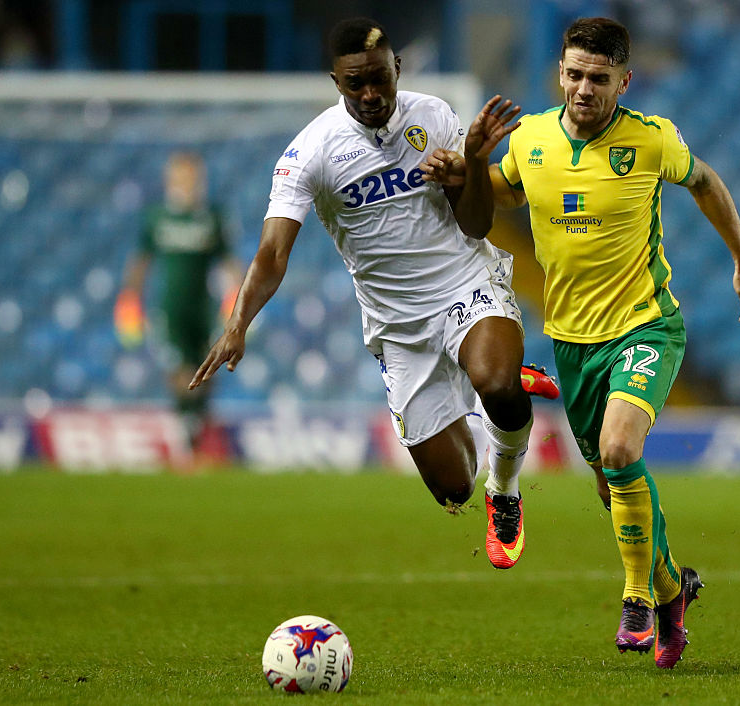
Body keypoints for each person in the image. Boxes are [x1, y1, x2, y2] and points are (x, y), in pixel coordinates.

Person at [420, 17, 740, 668]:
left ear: (623, 81)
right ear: (560, 73)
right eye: (574, 75)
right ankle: (670, 589)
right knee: (613, 486)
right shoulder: (533, 138)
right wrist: (461, 170)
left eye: (598, 79)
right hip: (574, 344)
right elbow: (501, 189)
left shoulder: (653, 139)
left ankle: (636, 596)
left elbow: (707, 184)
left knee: (618, 448)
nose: (583, 89)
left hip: (645, 324)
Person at [188, 17, 559, 570]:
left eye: (379, 79)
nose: (370, 94)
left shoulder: (433, 116)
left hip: (465, 284)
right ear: (336, 82)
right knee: (454, 487)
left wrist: (471, 164)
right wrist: (237, 324)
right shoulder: (309, 152)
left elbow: (477, 223)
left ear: (397, 69)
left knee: (498, 382)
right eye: (355, 83)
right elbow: (271, 254)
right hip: (397, 327)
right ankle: (487, 390)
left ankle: (503, 485)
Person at [116, 151, 243, 456]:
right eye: (181, 176)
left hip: (205, 306)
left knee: (206, 368)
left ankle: (196, 423)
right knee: (178, 369)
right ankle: (188, 427)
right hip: (170, 307)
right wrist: (129, 299)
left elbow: (229, 263)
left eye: (192, 176)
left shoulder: (212, 216)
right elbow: (141, 262)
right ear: (170, 180)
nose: (187, 183)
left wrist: (239, 300)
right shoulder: (157, 217)